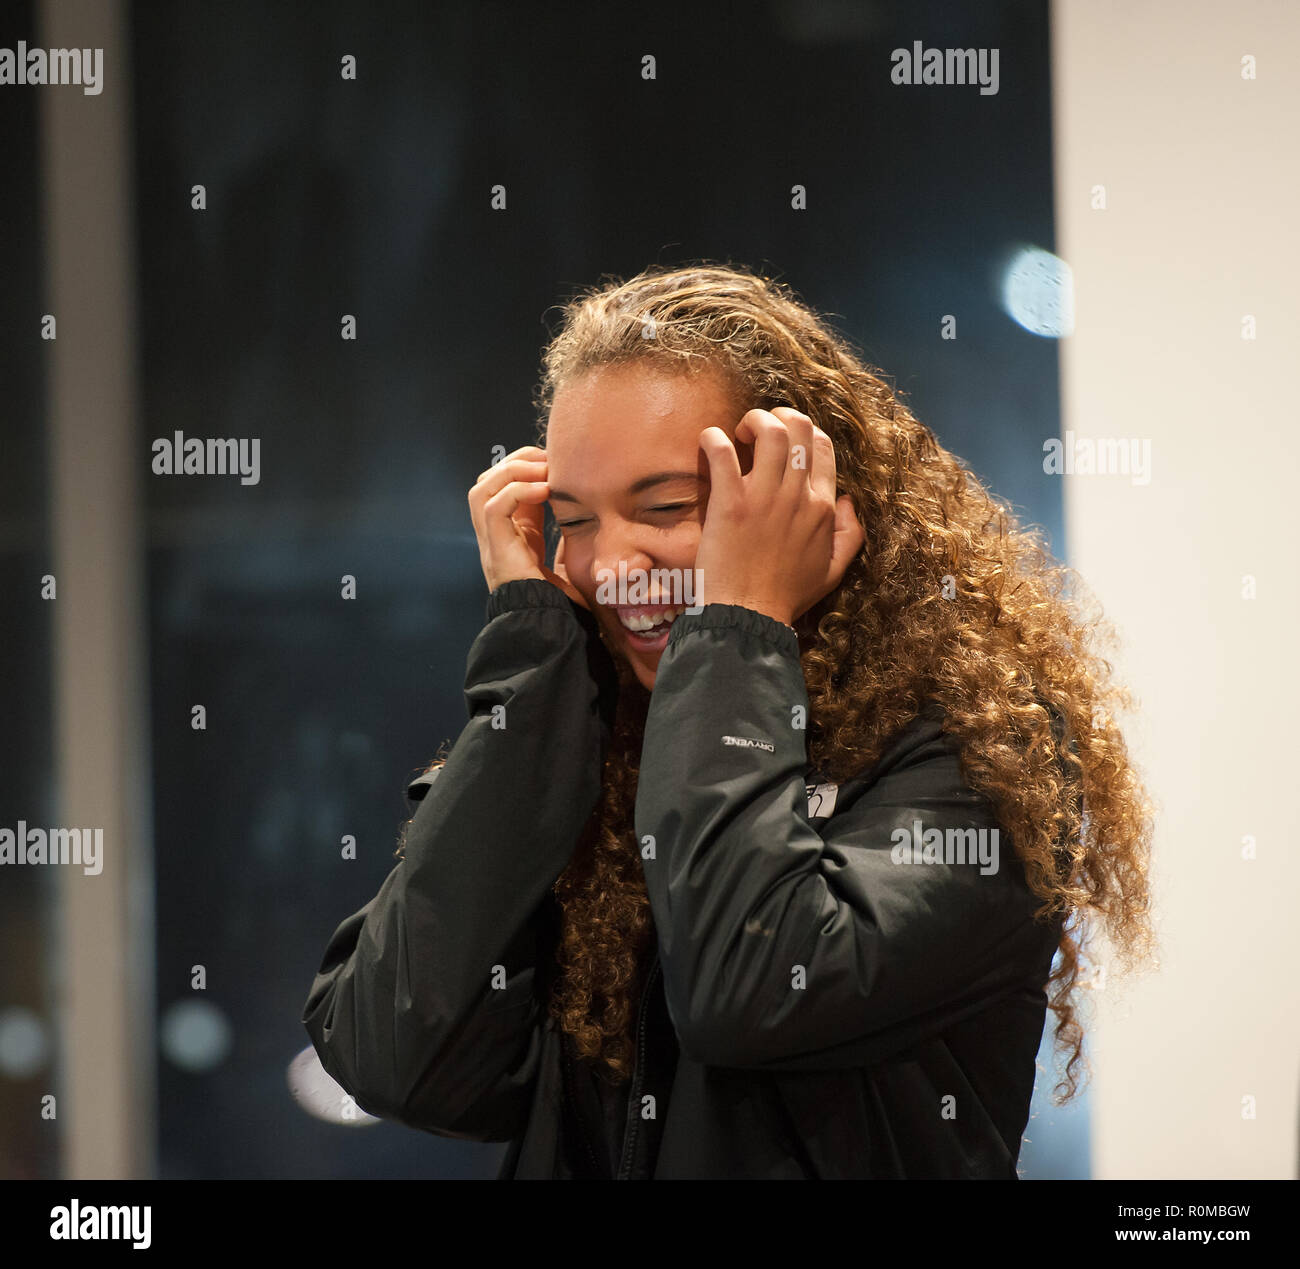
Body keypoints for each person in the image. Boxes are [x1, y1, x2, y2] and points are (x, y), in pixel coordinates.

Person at [301, 262, 1155, 1179]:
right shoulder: (594, 733)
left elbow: (750, 989)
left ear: (805, 492)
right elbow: (391, 1050)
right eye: (573, 519)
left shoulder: (969, 746)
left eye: (665, 507)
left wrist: (739, 624)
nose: (610, 564)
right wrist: (533, 675)